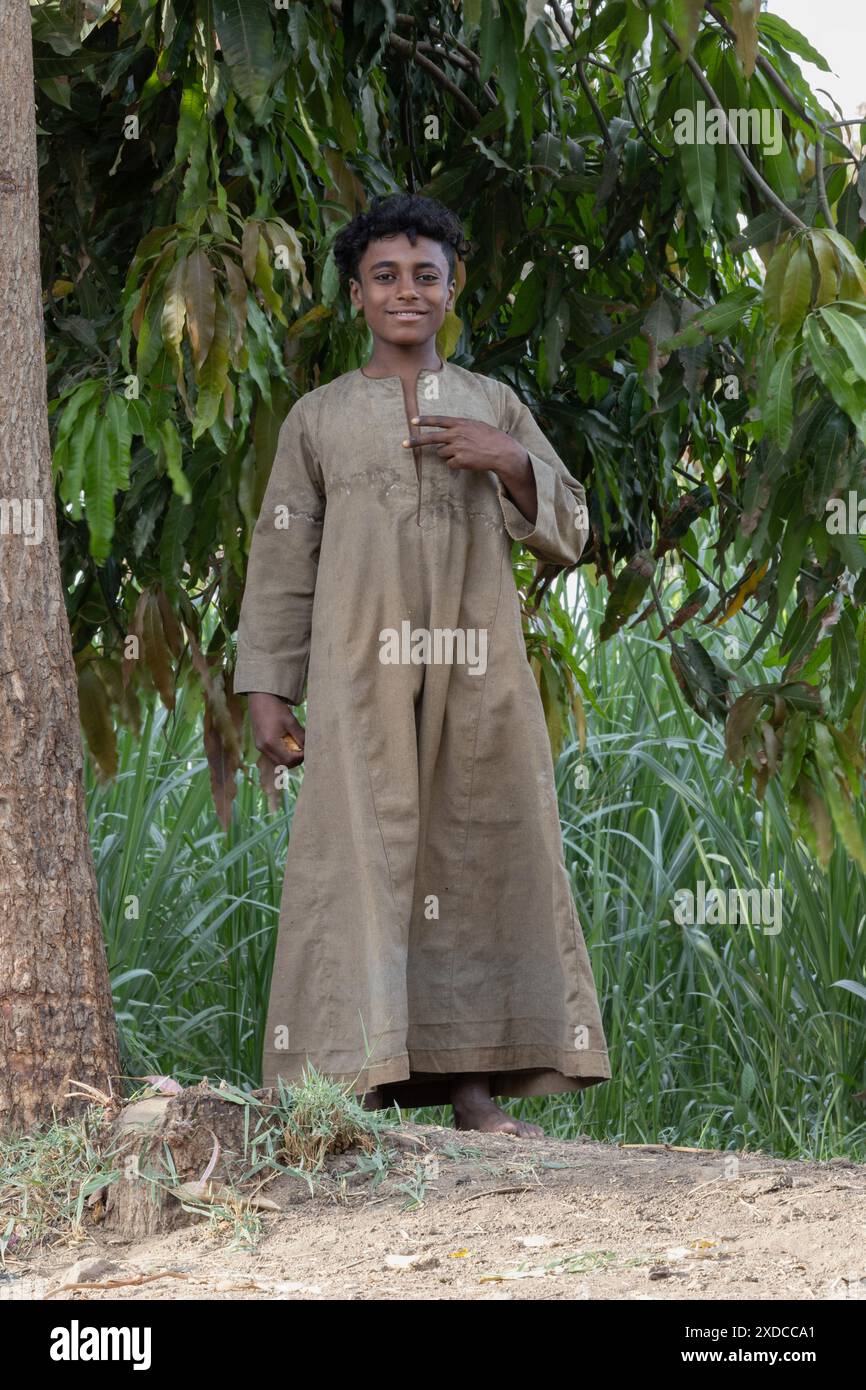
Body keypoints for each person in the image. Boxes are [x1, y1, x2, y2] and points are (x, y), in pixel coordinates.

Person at [234, 192, 610, 1137]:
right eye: (385, 277)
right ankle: (344, 1090)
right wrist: (266, 688)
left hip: (478, 677)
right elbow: (282, 560)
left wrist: (510, 460)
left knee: (476, 855)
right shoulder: (318, 420)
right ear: (356, 294)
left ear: (454, 288)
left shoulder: (494, 404)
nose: (408, 292)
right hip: (358, 678)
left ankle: (475, 1095)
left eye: (426, 276)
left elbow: (571, 527)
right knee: (354, 861)